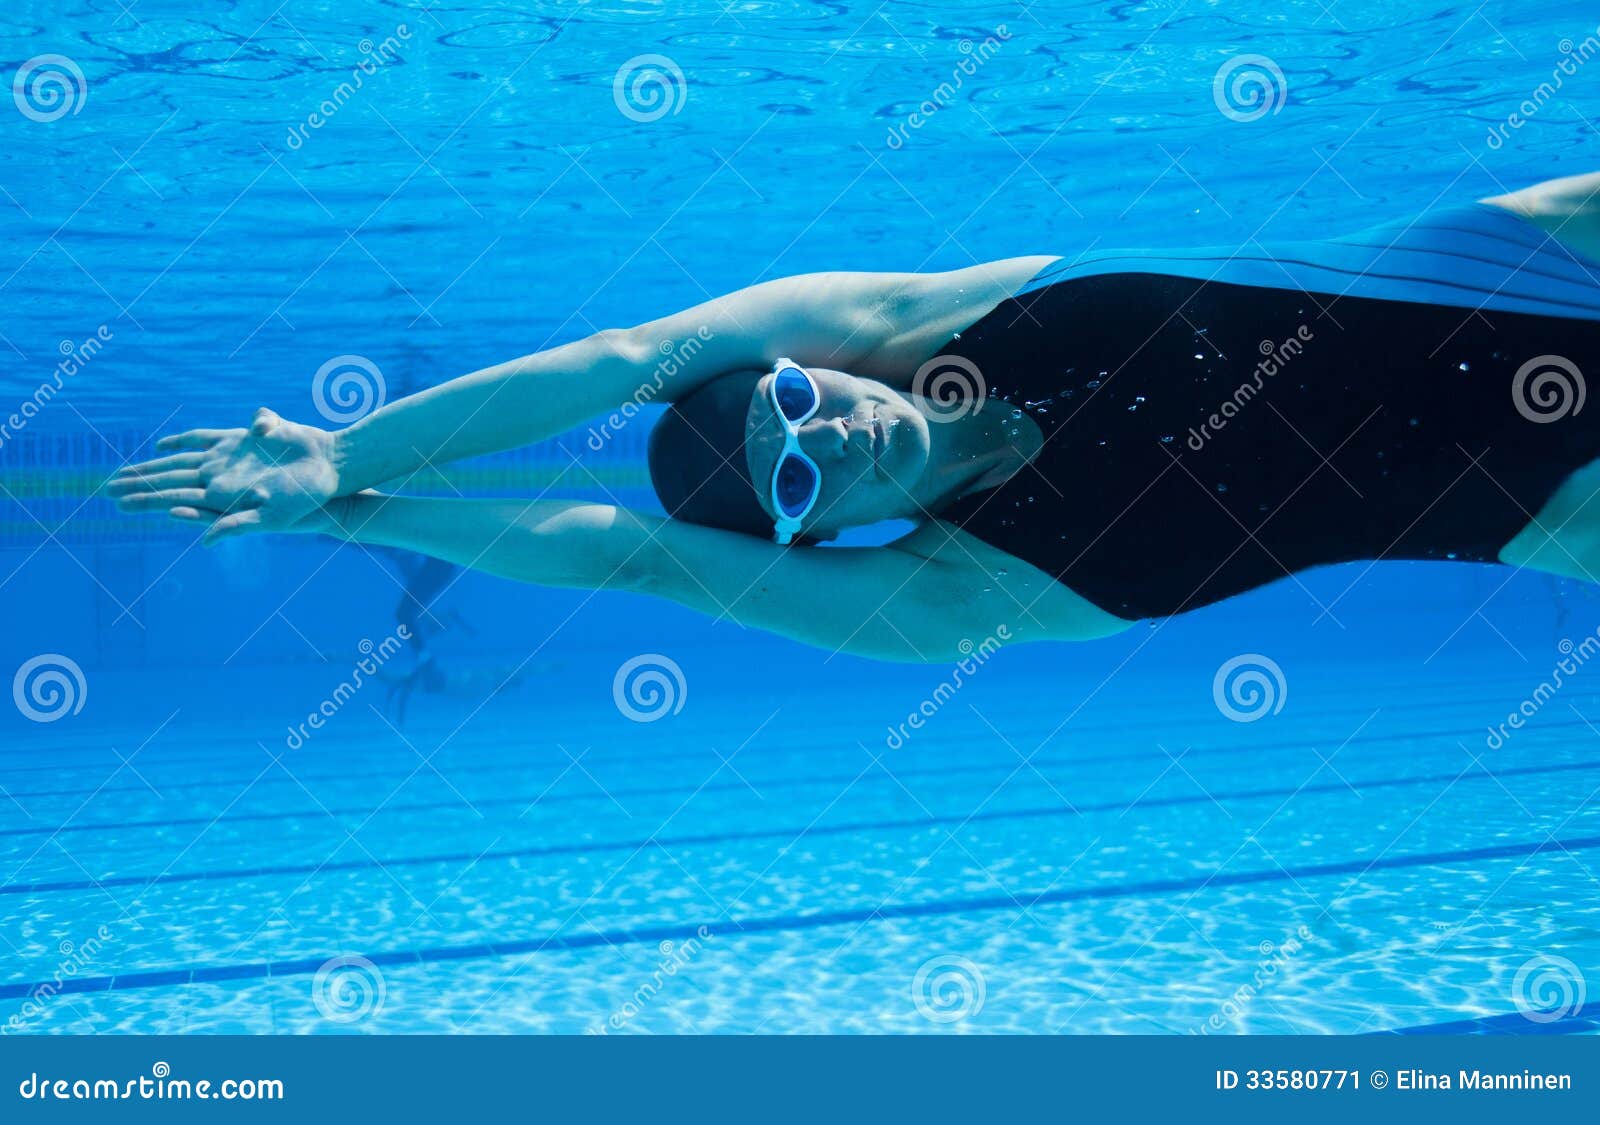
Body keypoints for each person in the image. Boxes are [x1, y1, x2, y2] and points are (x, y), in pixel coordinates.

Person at [108, 173, 1600, 663]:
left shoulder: (906, 318)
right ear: (805, 534)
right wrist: (367, 520)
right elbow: (628, 556)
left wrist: (344, 454)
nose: (834, 427)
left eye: (799, 402)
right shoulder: (962, 590)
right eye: (801, 472)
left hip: (1524, 255)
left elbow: (637, 351)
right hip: (1556, 504)